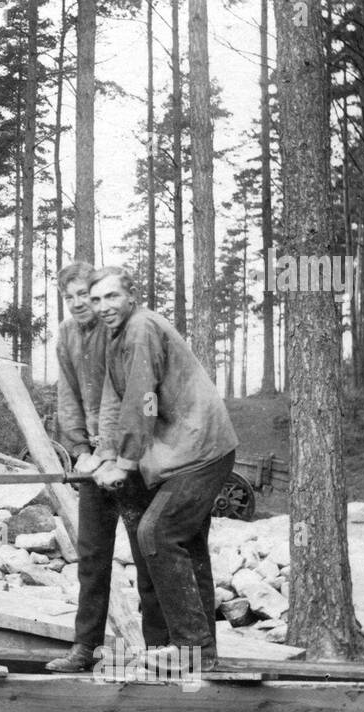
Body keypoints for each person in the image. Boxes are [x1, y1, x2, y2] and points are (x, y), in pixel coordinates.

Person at [90, 266, 239, 671]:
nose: (104, 307)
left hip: (202, 449)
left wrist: (122, 463)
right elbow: (111, 402)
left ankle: (190, 645)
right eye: (97, 300)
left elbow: (140, 402)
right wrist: (105, 453)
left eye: (112, 297)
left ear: (131, 296)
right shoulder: (114, 337)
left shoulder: (140, 329)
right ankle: (201, 654)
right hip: (183, 453)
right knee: (188, 546)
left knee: (155, 532)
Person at [45, 261, 147, 673]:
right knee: (91, 557)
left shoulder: (119, 331)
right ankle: (84, 648)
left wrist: (110, 451)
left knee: (147, 553)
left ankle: (158, 649)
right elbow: (67, 395)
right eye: (68, 298)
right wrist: (80, 449)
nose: (76, 304)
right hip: (93, 463)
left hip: (130, 459)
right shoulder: (67, 336)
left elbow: (127, 400)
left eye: (83, 295)